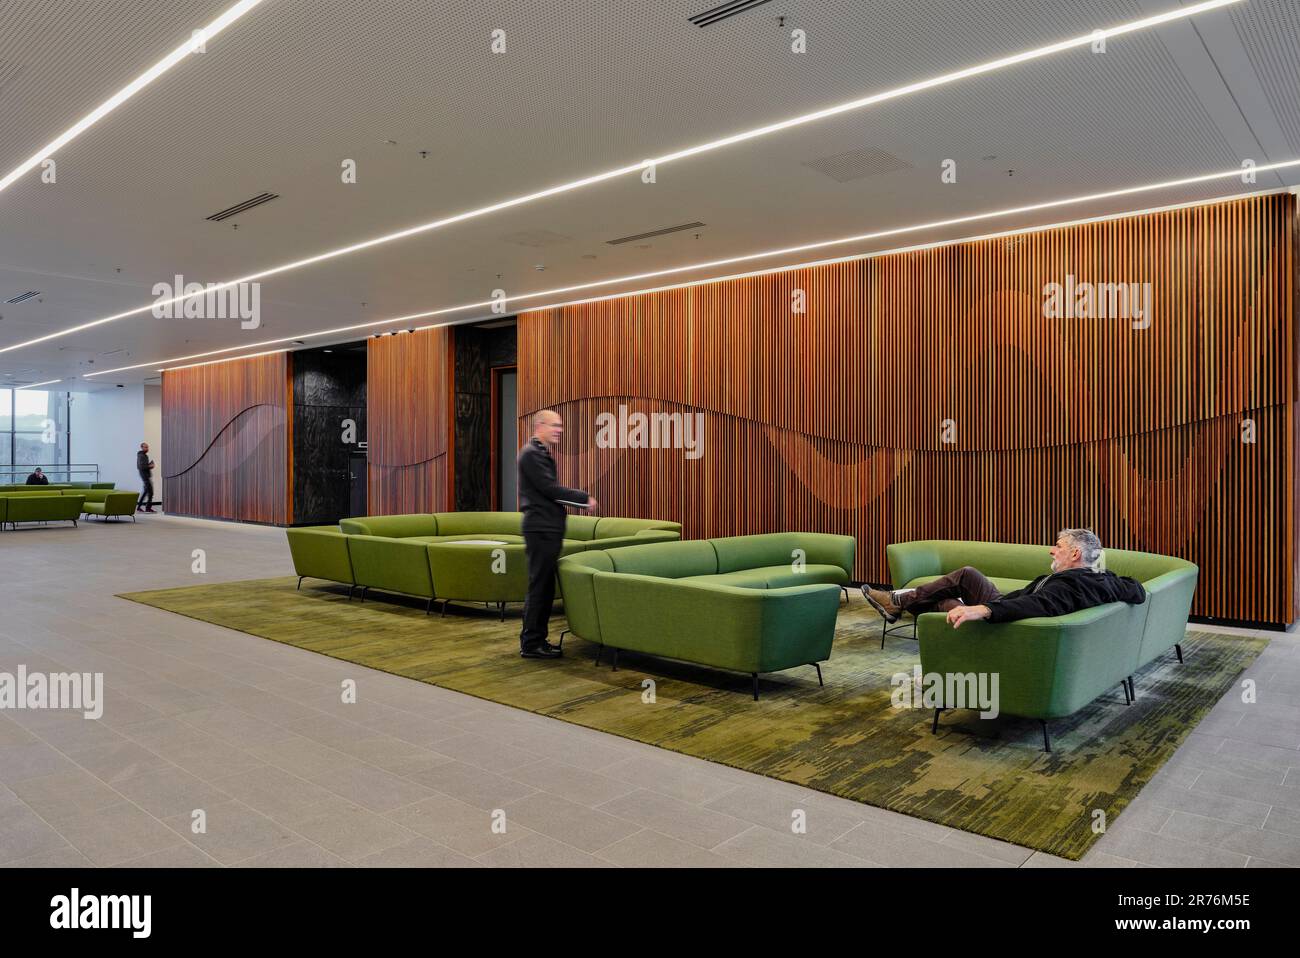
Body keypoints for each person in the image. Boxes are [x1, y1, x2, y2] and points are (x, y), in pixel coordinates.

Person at [863, 528, 1145, 628]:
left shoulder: (1071, 585)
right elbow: (1137, 590)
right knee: (964, 579)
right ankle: (899, 602)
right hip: (1010, 604)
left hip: (1009, 620)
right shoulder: (1100, 579)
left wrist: (985, 609)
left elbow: (1041, 605)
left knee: (951, 597)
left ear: (1074, 554)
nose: (1051, 549)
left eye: (1058, 545)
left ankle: (898, 602)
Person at [517, 410, 597, 659]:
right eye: (555, 425)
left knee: (544, 586)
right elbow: (549, 489)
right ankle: (531, 643)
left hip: (546, 528)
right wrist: (583, 499)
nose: (559, 430)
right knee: (540, 586)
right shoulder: (531, 454)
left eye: (560, 426)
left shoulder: (538, 452)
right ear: (539, 425)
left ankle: (536, 640)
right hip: (541, 529)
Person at [136, 442, 156, 513]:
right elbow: (141, 466)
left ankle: (139, 507)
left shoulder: (144, 455)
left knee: (145, 492)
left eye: (147, 447)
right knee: (150, 492)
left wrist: (149, 465)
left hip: (146, 476)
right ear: (142, 447)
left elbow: (144, 465)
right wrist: (150, 466)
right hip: (145, 476)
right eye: (146, 447)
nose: (147, 448)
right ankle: (147, 508)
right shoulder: (141, 456)